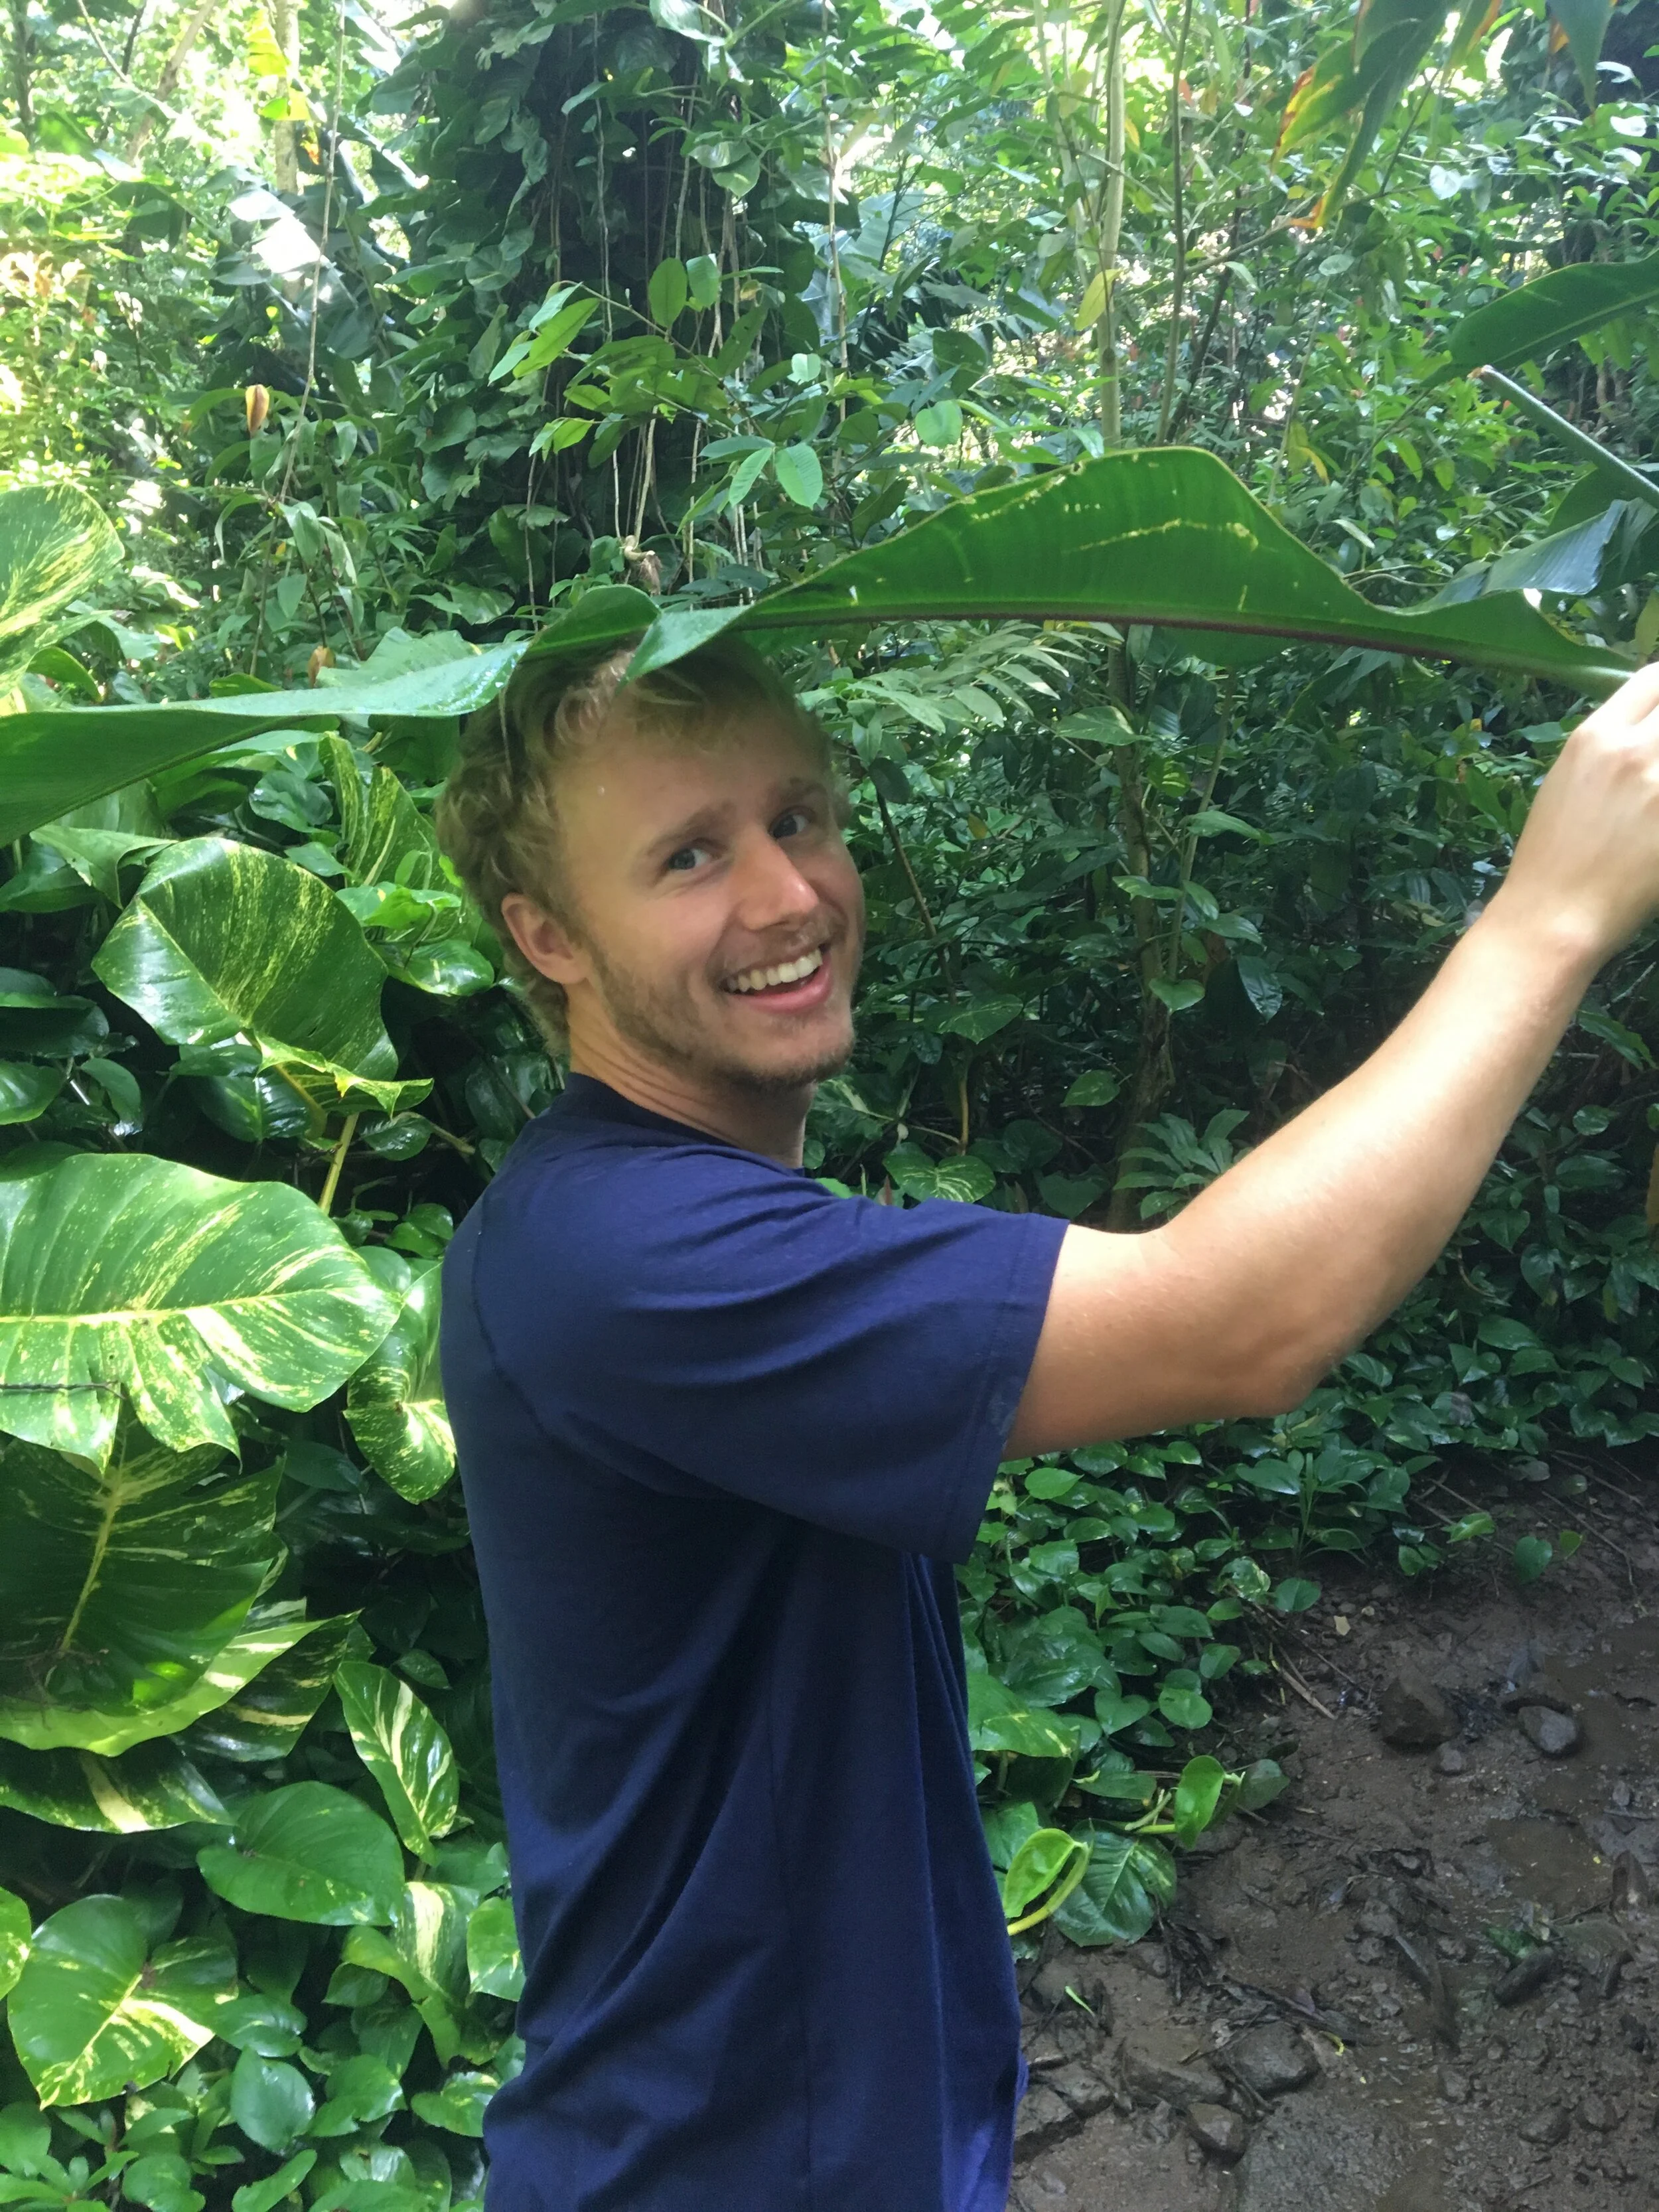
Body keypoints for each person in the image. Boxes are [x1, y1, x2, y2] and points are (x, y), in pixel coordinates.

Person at [435, 633, 1659, 2212]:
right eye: (688, 855)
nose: (786, 895)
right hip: (727, 2159)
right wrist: (1549, 913)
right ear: (548, 934)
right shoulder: (622, 1258)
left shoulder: (647, 1210)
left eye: (796, 816)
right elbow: (1235, 1319)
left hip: (831, 2111)